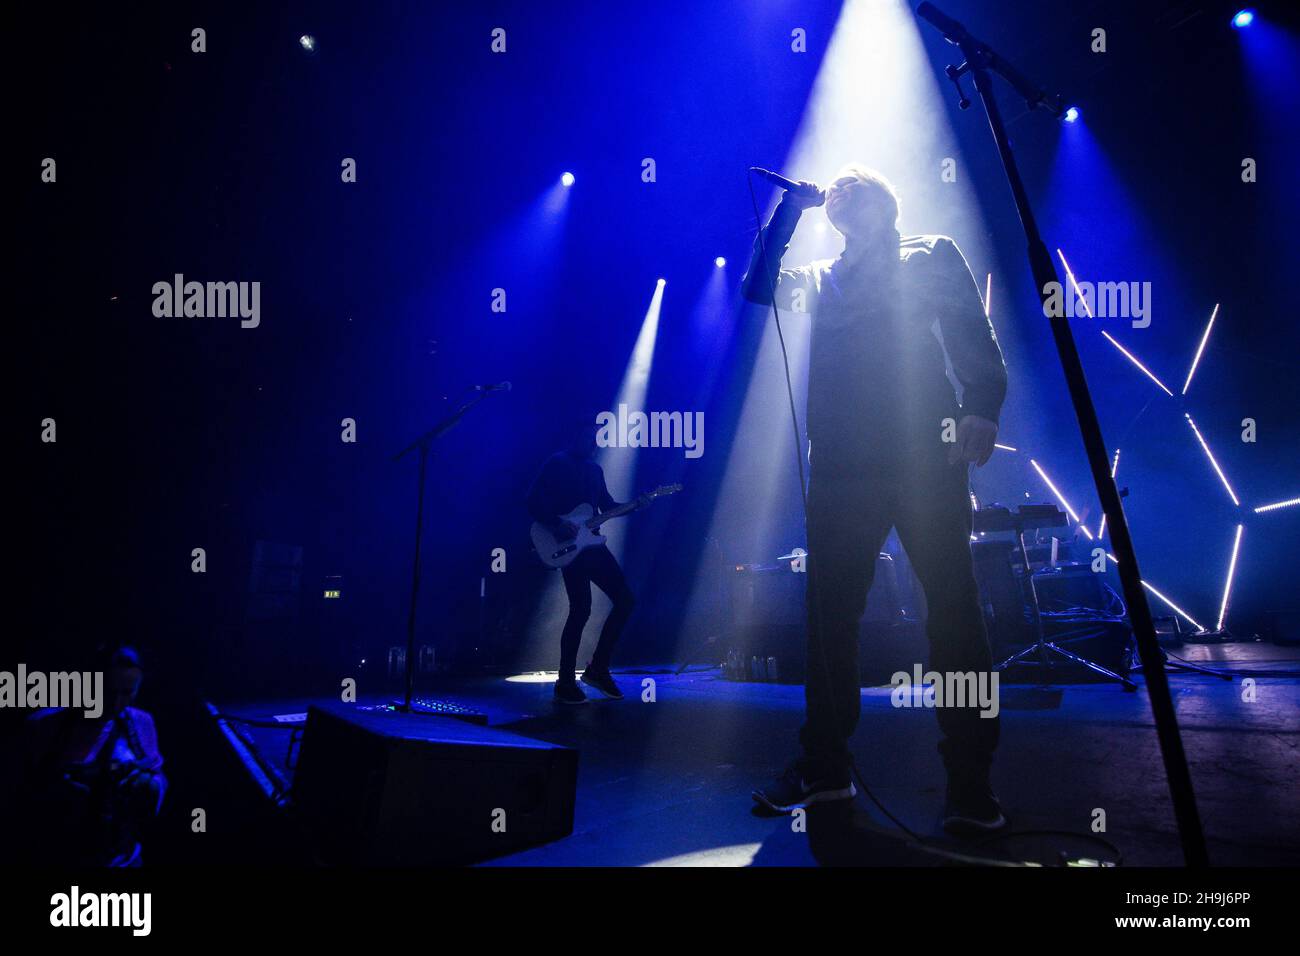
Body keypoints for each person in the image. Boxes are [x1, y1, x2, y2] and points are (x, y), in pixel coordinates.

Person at [743, 165, 1008, 834]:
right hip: (839, 464)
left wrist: (982, 403)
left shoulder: (930, 251)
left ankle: (971, 780)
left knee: (952, 609)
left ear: (885, 200)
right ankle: (824, 767)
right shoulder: (818, 278)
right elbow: (756, 288)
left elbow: (969, 327)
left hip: (926, 452)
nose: (838, 189)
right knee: (830, 617)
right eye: (832, 189)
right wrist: (787, 214)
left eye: (851, 182)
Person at [526, 417, 647, 704]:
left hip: (590, 545)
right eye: (589, 435)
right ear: (577, 435)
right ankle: (566, 680)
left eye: (596, 437)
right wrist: (556, 523)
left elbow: (607, 506)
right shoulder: (557, 463)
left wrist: (635, 505)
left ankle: (596, 669)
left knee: (624, 601)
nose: (593, 441)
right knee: (581, 609)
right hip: (568, 547)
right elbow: (532, 500)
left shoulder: (595, 469)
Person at [19, 645, 168, 865]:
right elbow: (13, 794)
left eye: (127, 693)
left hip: (121, 861)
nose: (115, 703)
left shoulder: (141, 722)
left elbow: (158, 776)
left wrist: (149, 785)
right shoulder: (45, 725)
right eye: (107, 691)